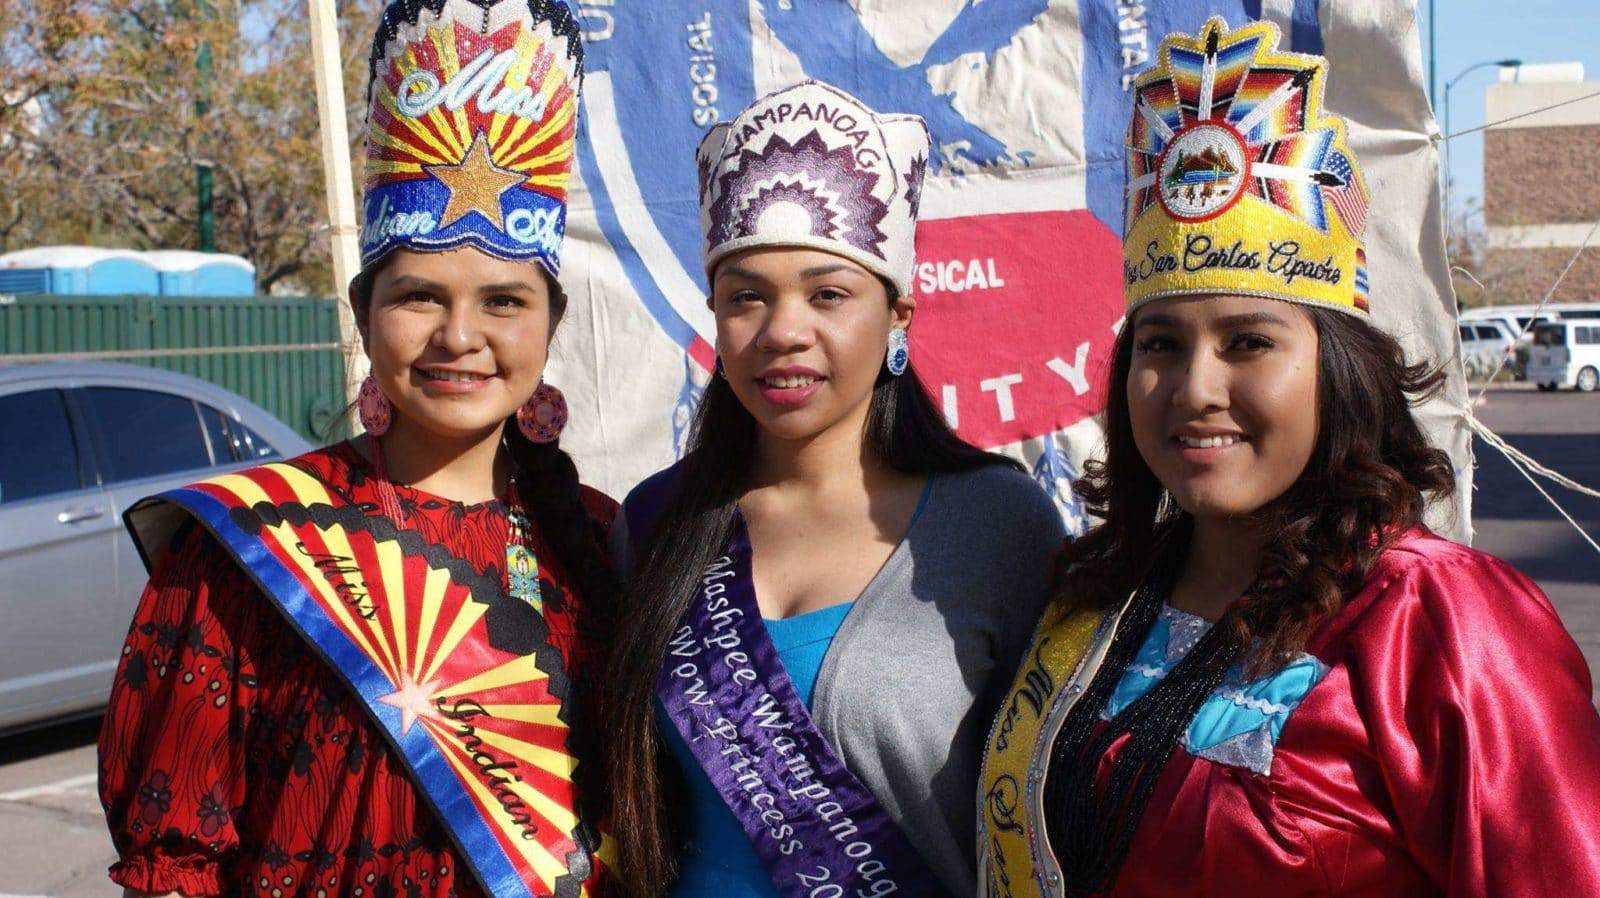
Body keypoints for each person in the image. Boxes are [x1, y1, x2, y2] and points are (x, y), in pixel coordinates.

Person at [977, 18, 1600, 898]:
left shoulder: (1434, 618)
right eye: (1159, 345)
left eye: (1248, 343)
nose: (1193, 388)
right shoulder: (1104, 595)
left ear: (1336, 375)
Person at [97, 2, 616, 896]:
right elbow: (172, 864)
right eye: (420, 296)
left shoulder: (604, 546)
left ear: (550, 323)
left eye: (503, 301)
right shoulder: (248, 549)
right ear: (364, 314)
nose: (460, 336)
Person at [601, 80, 1065, 898]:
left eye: (828, 294)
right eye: (747, 296)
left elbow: (1052, 797)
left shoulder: (996, 522)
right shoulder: (655, 522)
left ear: (897, 318)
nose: (784, 331)